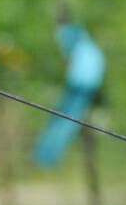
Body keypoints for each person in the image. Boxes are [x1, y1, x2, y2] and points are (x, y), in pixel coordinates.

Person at [33, 21, 104, 167]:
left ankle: (45, 158)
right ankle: (46, 158)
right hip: (88, 86)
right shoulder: (90, 46)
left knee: (62, 121)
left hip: (78, 85)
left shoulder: (75, 39)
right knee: (68, 121)